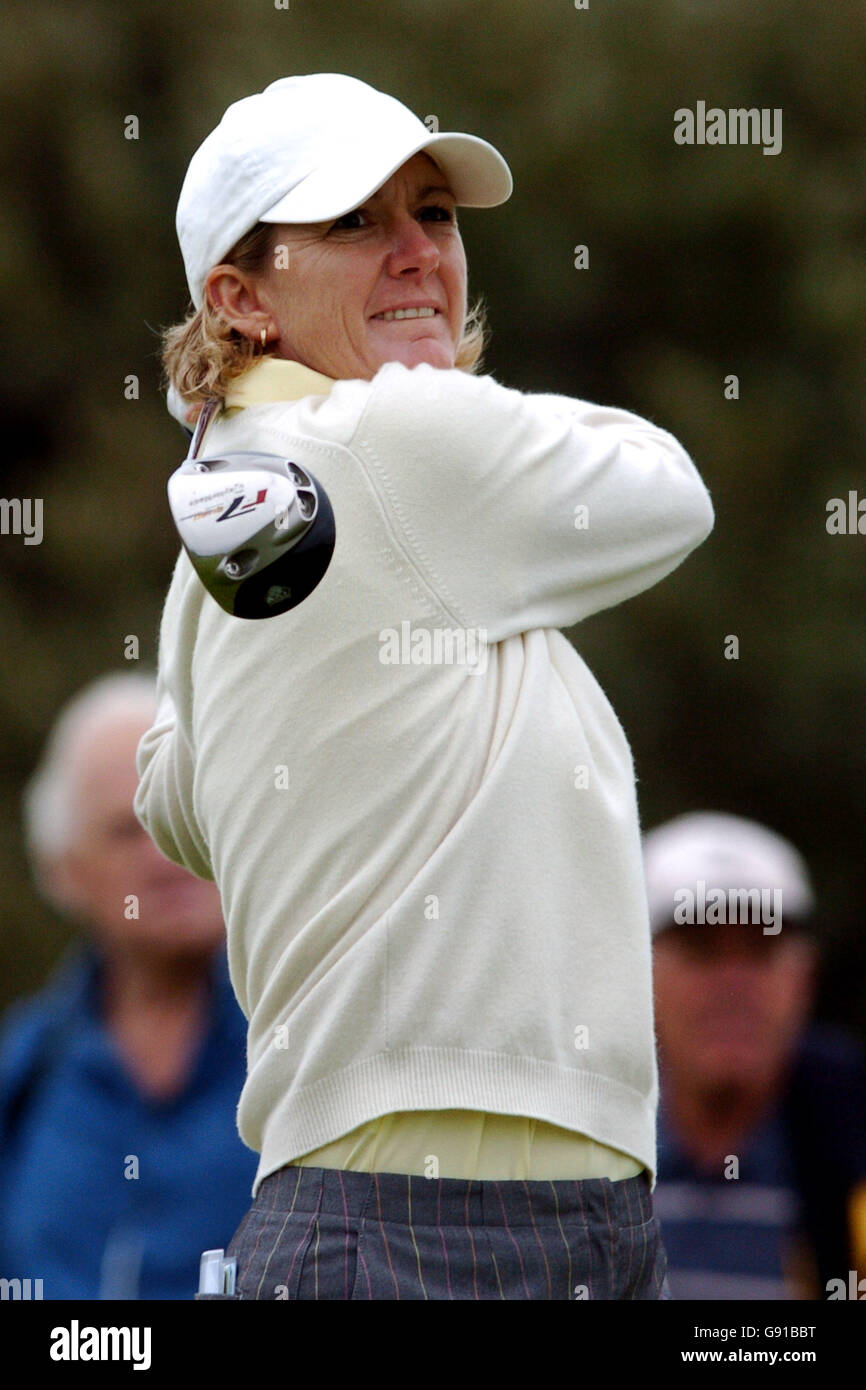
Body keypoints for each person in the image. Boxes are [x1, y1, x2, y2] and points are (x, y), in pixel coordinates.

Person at [135, 73, 714, 1301]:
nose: (417, 252)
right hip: (425, 1221)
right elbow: (668, 487)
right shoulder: (389, 443)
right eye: (354, 220)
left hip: (502, 1210)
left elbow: (171, 795)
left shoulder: (239, 523)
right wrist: (433, 394)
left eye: (433, 214)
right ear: (239, 297)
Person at [0, 673, 257, 1300]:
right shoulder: (23, 1074)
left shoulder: (308, 1050)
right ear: (63, 870)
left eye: (181, 817)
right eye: (127, 829)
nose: (165, 855)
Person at [645, 811, 866, 1299]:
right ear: (638, 973)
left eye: (760, 952)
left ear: (804, 978)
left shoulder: (852, 1151)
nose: (734, 984)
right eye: (702, 951)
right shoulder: (572, 1161)